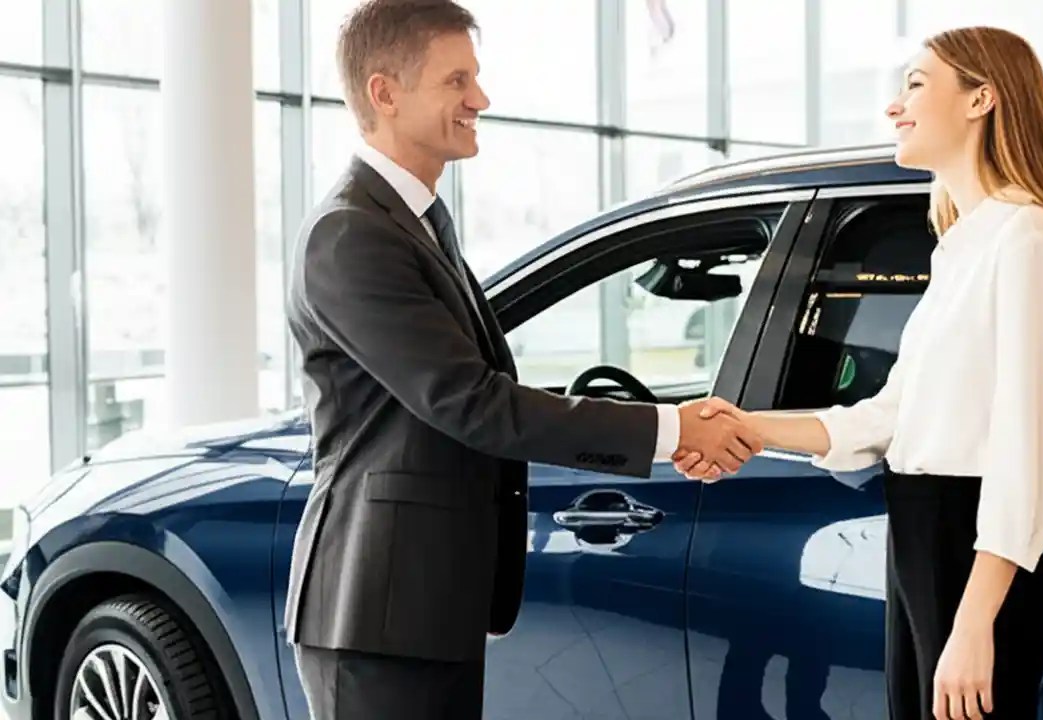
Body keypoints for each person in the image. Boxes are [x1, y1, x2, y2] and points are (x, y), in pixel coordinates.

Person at [282, 2, 763, 718]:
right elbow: (471, 402)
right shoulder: (352, 236)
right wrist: (670, 429)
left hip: (416, 607)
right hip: (378, 610)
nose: (480, 99)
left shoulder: (411, 222)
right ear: (385, 93)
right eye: (456, 81)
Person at [677, 25, 1043, 720]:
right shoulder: (964, 243)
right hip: (923, 544)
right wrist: (746, 424)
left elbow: (1030, 453)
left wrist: (972, 626)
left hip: (969, 562)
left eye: (915, 84)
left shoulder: (1028, 238)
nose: (894, 107)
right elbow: (885, 420)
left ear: (981, 99)